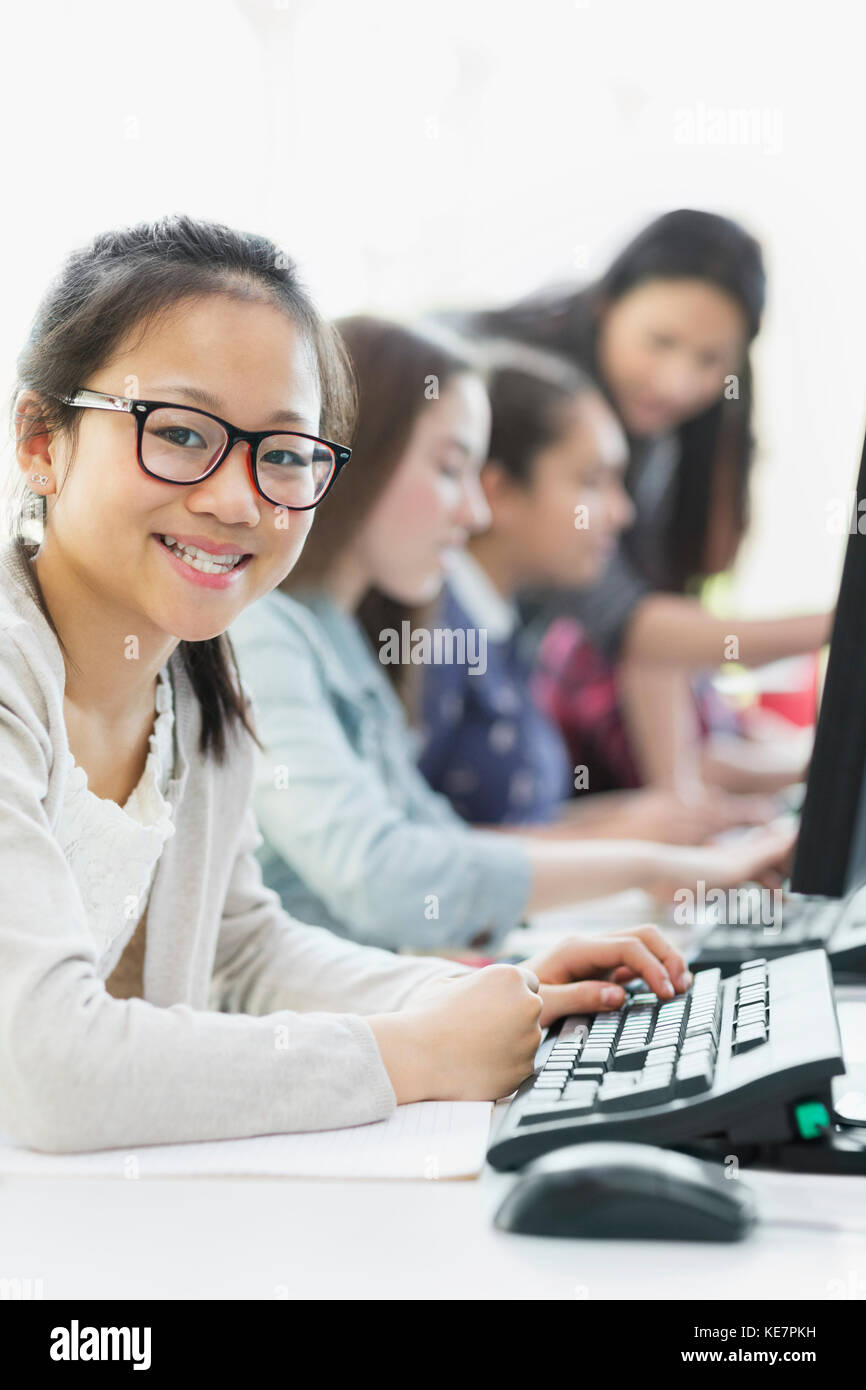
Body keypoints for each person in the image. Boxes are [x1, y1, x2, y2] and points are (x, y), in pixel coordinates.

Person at [1, 215, 708, 1154]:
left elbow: (247, 949)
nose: (238, 498)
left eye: (285, 453)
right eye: (177, 433)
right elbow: (47, 1071)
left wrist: (484, 995)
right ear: (42, 440)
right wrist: (410, 1054)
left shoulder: (200, 681)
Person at [230, 314, 794, 956]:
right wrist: (652, 864)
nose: (474, 512)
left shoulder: (338, 641)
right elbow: (387, 876)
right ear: (359, 454)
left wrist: (653, 860)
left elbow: (439, 843)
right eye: (449, 468)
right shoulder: (265, 634)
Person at [442, 210, 831, 798]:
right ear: (607, 303)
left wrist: (676, 807)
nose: (677, 382)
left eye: (709, 360)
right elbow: (630, 624)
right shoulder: (507, 393)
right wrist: (838, 628)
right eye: (661, 342)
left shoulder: (650, 428)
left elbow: (646, 621)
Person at [415, 338, 774, 837]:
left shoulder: (509, 629)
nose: (620, 512)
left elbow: (516, 826)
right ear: (500, 492)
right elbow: (424, 851)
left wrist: (652, 821)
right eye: (591, 481)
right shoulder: (435, 638)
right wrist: (626, 839)